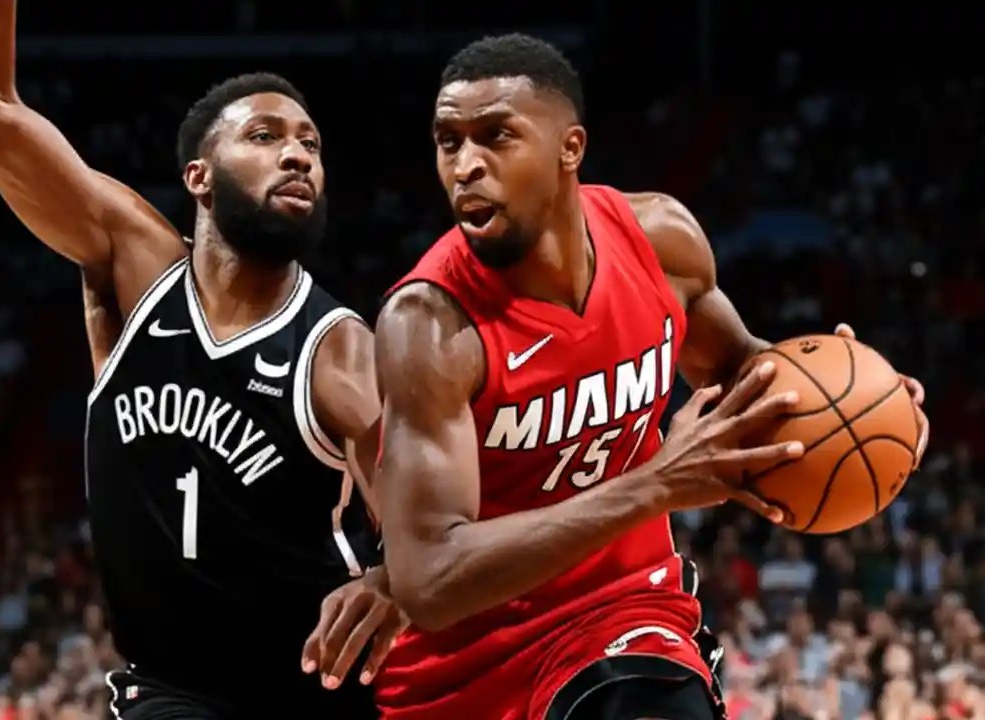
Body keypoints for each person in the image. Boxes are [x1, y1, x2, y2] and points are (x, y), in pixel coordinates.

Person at [372, 34, 928, 720]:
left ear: (568, 149)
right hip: (465, 668)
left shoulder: (661, 241)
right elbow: (430, 579)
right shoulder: (428, 325)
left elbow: (742, 373)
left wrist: (866, 400)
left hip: (625, 614)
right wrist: (656, 484)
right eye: (448, 141)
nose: (465, 165)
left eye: (496, 137)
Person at [0, 0, 403, 716]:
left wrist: (392, 583)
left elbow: (436, 529)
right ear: (199, 178)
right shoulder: (136, 272)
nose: (298, 154)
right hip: (168, 690)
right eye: (264, 135)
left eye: (310, 143)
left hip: (313, 691)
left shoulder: (338, 350)